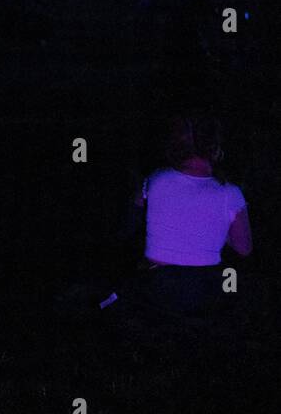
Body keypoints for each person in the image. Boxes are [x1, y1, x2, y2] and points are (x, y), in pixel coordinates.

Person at [107, 116, 252, 320]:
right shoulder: (231, 193)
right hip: (203, 291)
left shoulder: (155, 179)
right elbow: (243, 248)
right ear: (215, 146)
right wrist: (218, 224)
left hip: (156, 288)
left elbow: (127, 226)